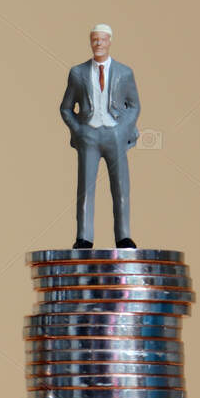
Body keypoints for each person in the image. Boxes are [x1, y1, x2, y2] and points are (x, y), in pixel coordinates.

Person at [58, 23, 141, 248]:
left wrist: (122, 129)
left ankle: (123, 236)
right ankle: (84, 237)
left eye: (103, 39)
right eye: (95, 39)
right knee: (85, 187)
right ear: (90, 42)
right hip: (89, 136)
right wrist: (79, 130)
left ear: (110, 41)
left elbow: (134, 105)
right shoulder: (78, 73)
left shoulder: (125, 72)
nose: (99, 44)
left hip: (115, 135)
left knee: (121, 186)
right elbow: (66, 108)